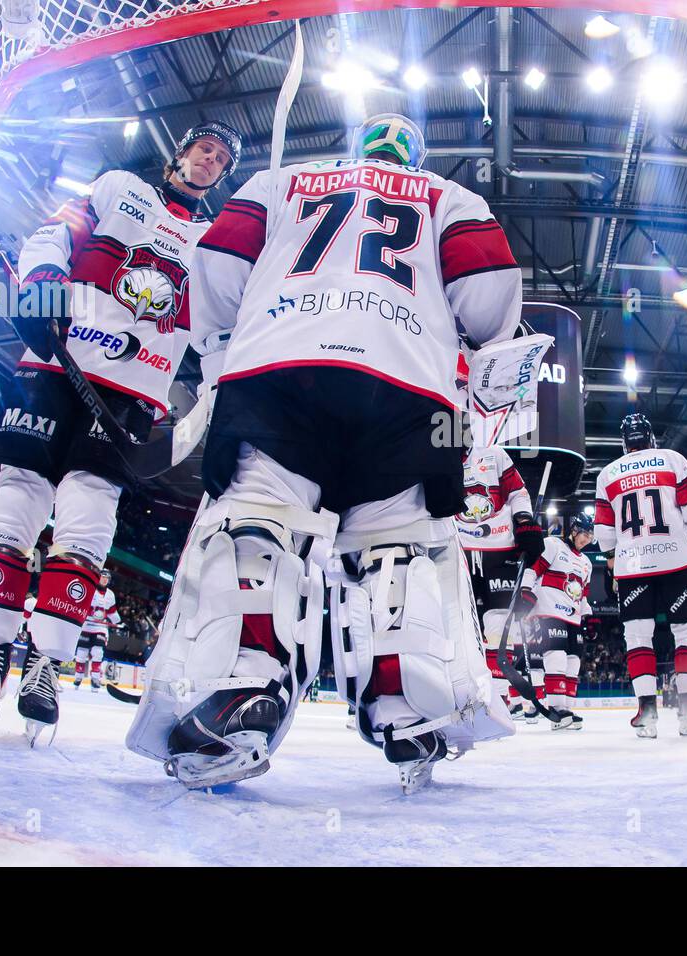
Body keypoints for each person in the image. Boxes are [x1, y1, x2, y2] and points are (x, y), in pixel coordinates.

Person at [127, 114, 522, 794]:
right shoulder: (450, 196)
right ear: (414, 153)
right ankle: (403, 706)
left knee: (259, 521)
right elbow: (489, 305)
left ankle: (242, 692)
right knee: (396, 544)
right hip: (411, 393)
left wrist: (226, 355)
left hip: (276, 371)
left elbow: (216, 269)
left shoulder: (278, 181)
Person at [0, 122, 241, 743]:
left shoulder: (213, 242)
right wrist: (39, 289)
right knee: (16, 498)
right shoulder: (117, 188)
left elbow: (217, 331)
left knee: (86, 520)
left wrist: (226, 397)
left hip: (132, 396)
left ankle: (46, 665)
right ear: (180, 153)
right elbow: (53, 235)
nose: (208, 161)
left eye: (219, 159)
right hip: (57, 367)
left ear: (223, 175)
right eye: (202, 148)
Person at [593, 412, 687, 738]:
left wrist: (614, 560)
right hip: (675, 558)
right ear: (650, 438)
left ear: (624, 442)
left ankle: (646, 713)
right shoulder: (672, 459)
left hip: (632, 565)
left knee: (638, 638)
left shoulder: (607, 474)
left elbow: (603, 533)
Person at [457, 443, 543, 715]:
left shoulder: (494, 454)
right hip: (457, 549)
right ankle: (465, 694)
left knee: (497, 626)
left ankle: (498, 701)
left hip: (500, 546)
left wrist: (525, 521)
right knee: (461, 625)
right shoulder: (436, 452)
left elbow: (517, 492)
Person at [518, 514, 595, 730]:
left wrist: (589, 617)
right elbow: (533, 569)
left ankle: (567, 709)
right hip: (549, 610)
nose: (587, 539)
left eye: (590, 536)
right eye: (584, 534)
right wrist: (526, 591)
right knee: (557, 657)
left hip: (573, 615)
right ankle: (556, 709)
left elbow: (584, 596)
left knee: (573, 661)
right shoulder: (553, 545)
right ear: (573, 529)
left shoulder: (587, 563)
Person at [74, 569, 121, 691]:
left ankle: (95, 679)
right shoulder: (90, 588)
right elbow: (81, 604)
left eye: (107, 578)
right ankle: (78, 677)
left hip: (100, 627)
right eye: (102, 577)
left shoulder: (110, 594)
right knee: (81, 654)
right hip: (86, 625)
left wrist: (118, 622)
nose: (104, 579)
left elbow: (111, 611)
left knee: (98, 653)